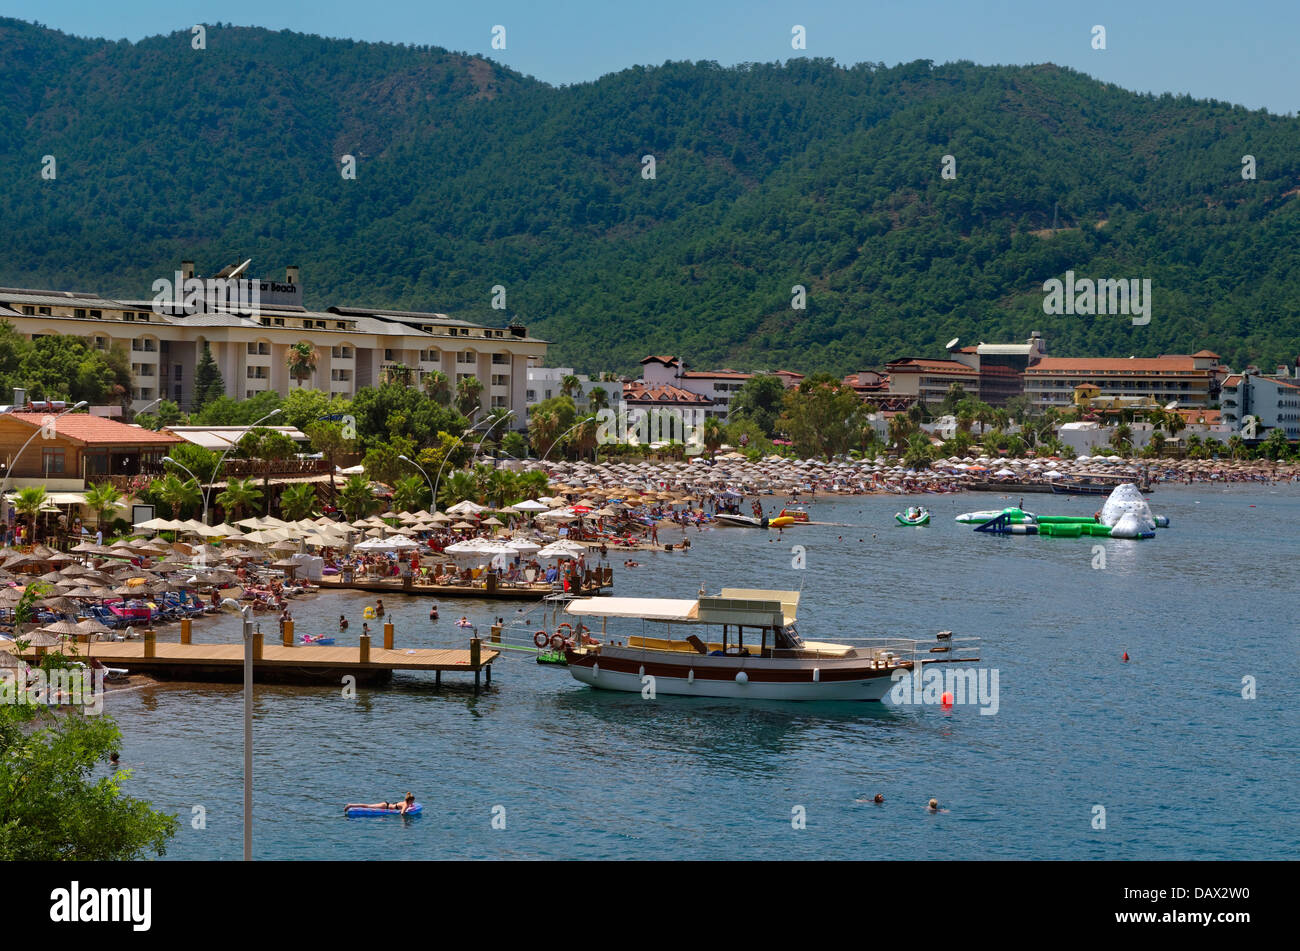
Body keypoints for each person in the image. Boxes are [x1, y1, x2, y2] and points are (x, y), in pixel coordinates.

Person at [345, 792, 417, 815]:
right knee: (366, 806)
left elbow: (410, 805)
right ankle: (350, 805)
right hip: (384, 806)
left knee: (367, 806)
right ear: (410, 800)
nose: (413, 802)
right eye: (412, 801)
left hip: (386, 805)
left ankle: (351, 805)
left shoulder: (405, 802)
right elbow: (402, 813)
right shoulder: (405, 804)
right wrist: (406, 821)